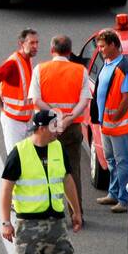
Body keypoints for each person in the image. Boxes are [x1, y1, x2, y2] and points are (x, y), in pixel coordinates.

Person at [0, 110, 83, 254]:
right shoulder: (20, 152)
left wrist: (76, 211)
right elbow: (7, 187)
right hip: (28, 224)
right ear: (42, 128)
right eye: (54, 125)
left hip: (56, 221)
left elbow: (67, 180)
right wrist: (6, 222)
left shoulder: (58, 149)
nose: (58, 128)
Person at [30, 35, 91, 199]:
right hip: (71, 128)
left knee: (46, 169)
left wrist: (55, 116)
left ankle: (50, 211)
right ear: (70, 52)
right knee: (72, 170)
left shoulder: (40, 69)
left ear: (52, 51)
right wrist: (68, 119)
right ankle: (77, 213)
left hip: (46, 129)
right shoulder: (80, 71)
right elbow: (84, 101)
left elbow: (36, 100)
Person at [92, 29, 128, 214]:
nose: (100, 50)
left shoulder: (123, 68)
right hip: (106, 125)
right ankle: (114, 193)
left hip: (118, 126)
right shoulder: (108, 63)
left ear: (112, 45)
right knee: (110, 160)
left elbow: (127, 97)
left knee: (122, 161)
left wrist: (116, 117)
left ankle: (125, 200)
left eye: (102, 46)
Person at [0, 29, 39, 154]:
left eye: (37, 43)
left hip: (25, 120)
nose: (35, 46)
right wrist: (2, 105)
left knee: (23, 159)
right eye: (32, 43)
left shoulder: (28, 60)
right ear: (22, 44)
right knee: (15, 159)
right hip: (13, 121)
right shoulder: (13, 63)